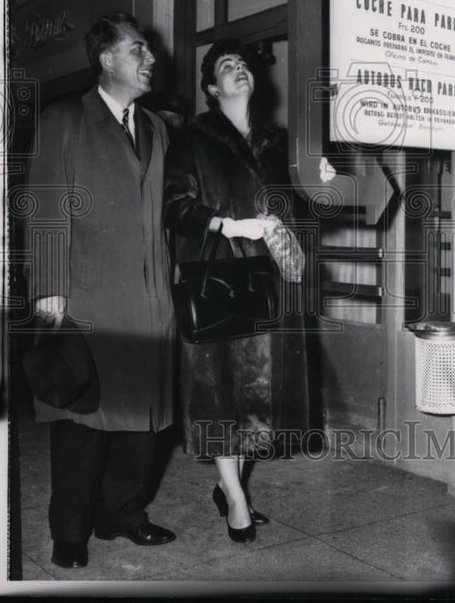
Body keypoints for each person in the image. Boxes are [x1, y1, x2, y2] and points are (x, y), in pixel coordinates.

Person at [25, 12, 176, 569]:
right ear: (107, 58)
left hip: (152, 299)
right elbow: (44, 207)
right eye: (139, 50)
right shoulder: (66, 118)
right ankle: (70, 530)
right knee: (84, 421)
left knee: (144, 421)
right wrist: (48, 287)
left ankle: (122, 515)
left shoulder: (158, 128)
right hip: (88, 297)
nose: (150, 59)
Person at [164, 39, 309, 544]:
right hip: (218, 277)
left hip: (266, 281)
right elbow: (175, 207)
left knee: (253, 397)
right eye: (227, 66)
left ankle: (230, 486)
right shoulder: (193, 138)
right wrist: (229, 226)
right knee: (217, 394)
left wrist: (317, 187)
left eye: (243, 64)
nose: (239, 70)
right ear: (211, 88)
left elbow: (298, 209)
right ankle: (238, 500)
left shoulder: (278, 141)